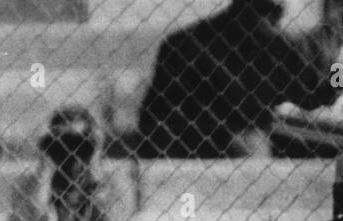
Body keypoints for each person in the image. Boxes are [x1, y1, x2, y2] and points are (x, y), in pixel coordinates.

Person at [134, 0, 330, 158]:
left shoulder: (181, 42)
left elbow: (151, 121)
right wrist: (340, 68)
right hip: (228, 154)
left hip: (194, 158)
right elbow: (325, 94)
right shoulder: (285, 45)